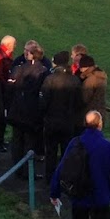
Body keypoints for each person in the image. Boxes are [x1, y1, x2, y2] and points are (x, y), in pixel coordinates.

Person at [39, 50, 84, 182]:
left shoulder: (49, 79)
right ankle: (66, 178)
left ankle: (50, 178)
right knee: (66, 151)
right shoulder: (75, 80)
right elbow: (79, 102)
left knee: (51, 151)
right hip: (68, 121)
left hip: (51, 121)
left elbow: (43, 102)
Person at [5, 42, 48, 166]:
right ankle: (27, 170)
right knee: (29, 141)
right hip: (32, 113)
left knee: (17, 139)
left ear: (31, 55)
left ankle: (17, 167)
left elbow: (9, 88)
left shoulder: (18, 68)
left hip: (17, 110)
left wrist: (10, 105)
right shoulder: (43, 72)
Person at [78, 52, 108, 120]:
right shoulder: (101, 76)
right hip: (101, 112)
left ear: (86, 67)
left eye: (81, 67)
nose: (80, 70)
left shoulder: (90, 81)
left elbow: (84, 99)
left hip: (90, 114)